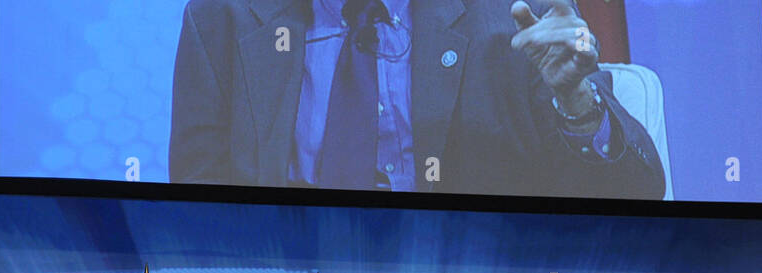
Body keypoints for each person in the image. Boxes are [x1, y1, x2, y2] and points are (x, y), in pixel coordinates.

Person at [169, 0, 665, 199]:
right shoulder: (223, 16)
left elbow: (635, 193)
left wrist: (576, 101)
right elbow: (198, 206)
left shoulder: (514, 12)